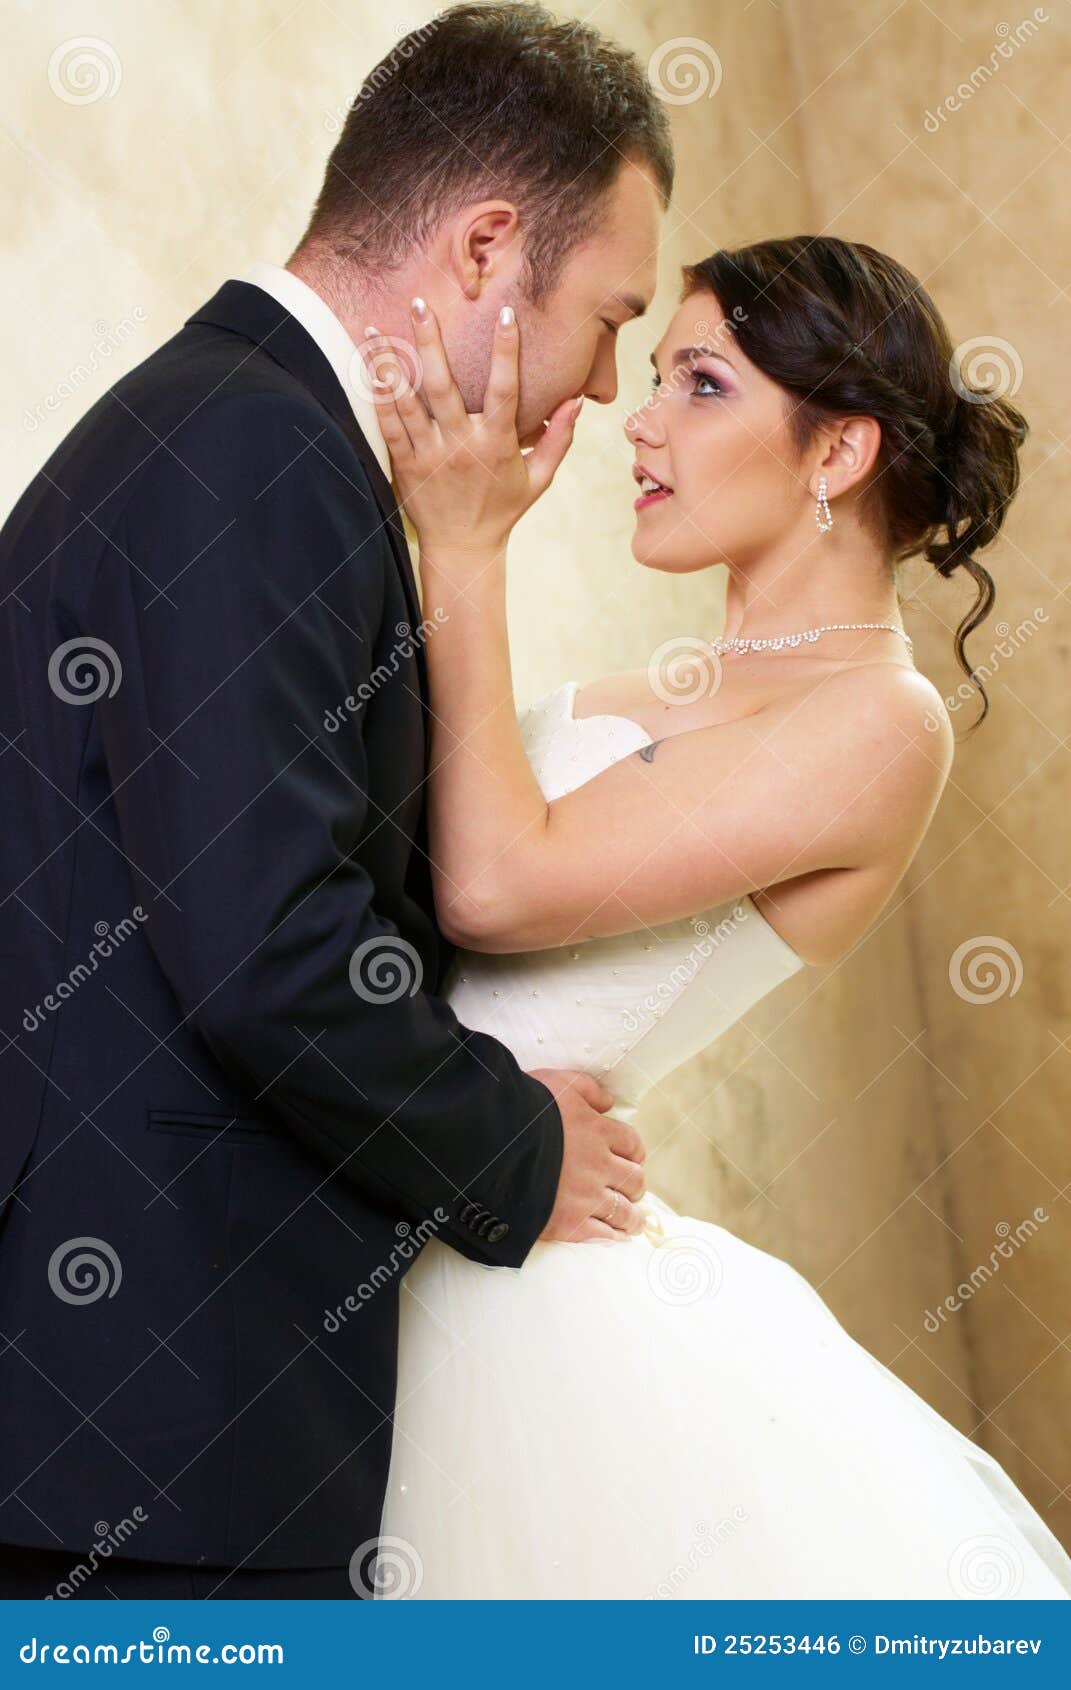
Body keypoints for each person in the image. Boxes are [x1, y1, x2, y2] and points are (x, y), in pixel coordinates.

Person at [0, 4, 670, 1598]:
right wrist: (517, 1149)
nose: (605, 381)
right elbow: (270, 943)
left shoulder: (236, 425)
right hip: (151, 1422)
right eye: (609, 317)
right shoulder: (256, 447)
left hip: (138, 1416)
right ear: (488, 248)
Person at [365, 235, 1071, 1599]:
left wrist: (462, 544)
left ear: (837, 452)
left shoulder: (883, 723)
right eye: (657, 379)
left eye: (699, 383)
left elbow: (494, 886)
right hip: (415, 1211)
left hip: (525, 1318)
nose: (640, 420)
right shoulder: (648, 689)